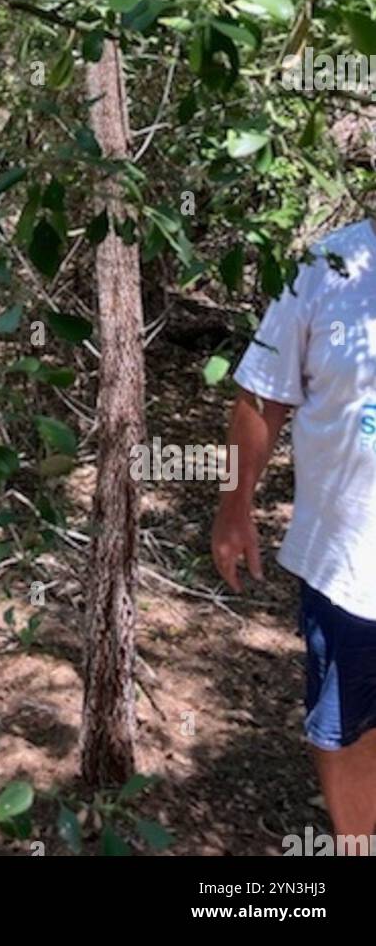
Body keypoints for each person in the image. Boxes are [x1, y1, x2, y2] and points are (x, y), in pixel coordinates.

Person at [212, 218, 376, 844]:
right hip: (350, 562)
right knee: (347, 724)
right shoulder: (328, 266)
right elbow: (261, 396)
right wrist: (234, 509)